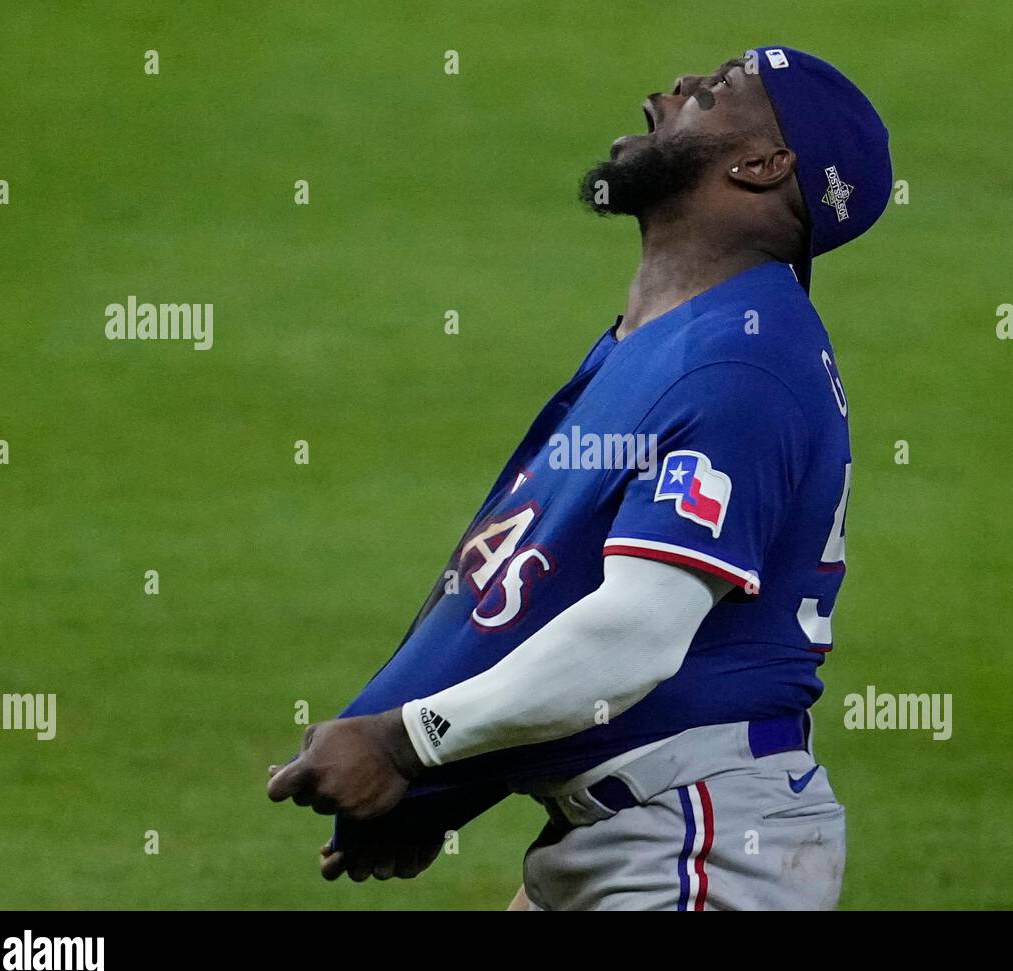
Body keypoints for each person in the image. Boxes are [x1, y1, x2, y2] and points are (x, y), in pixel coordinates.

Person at [268, 44, 892, 911]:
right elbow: (538, 592)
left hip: (692, 843)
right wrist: (445, 788)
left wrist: (406, 744)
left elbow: (636, 632)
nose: (665, 92)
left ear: (760, 165)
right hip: (626, 832)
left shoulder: (739, 362)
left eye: (710, 92)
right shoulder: (669, 341)